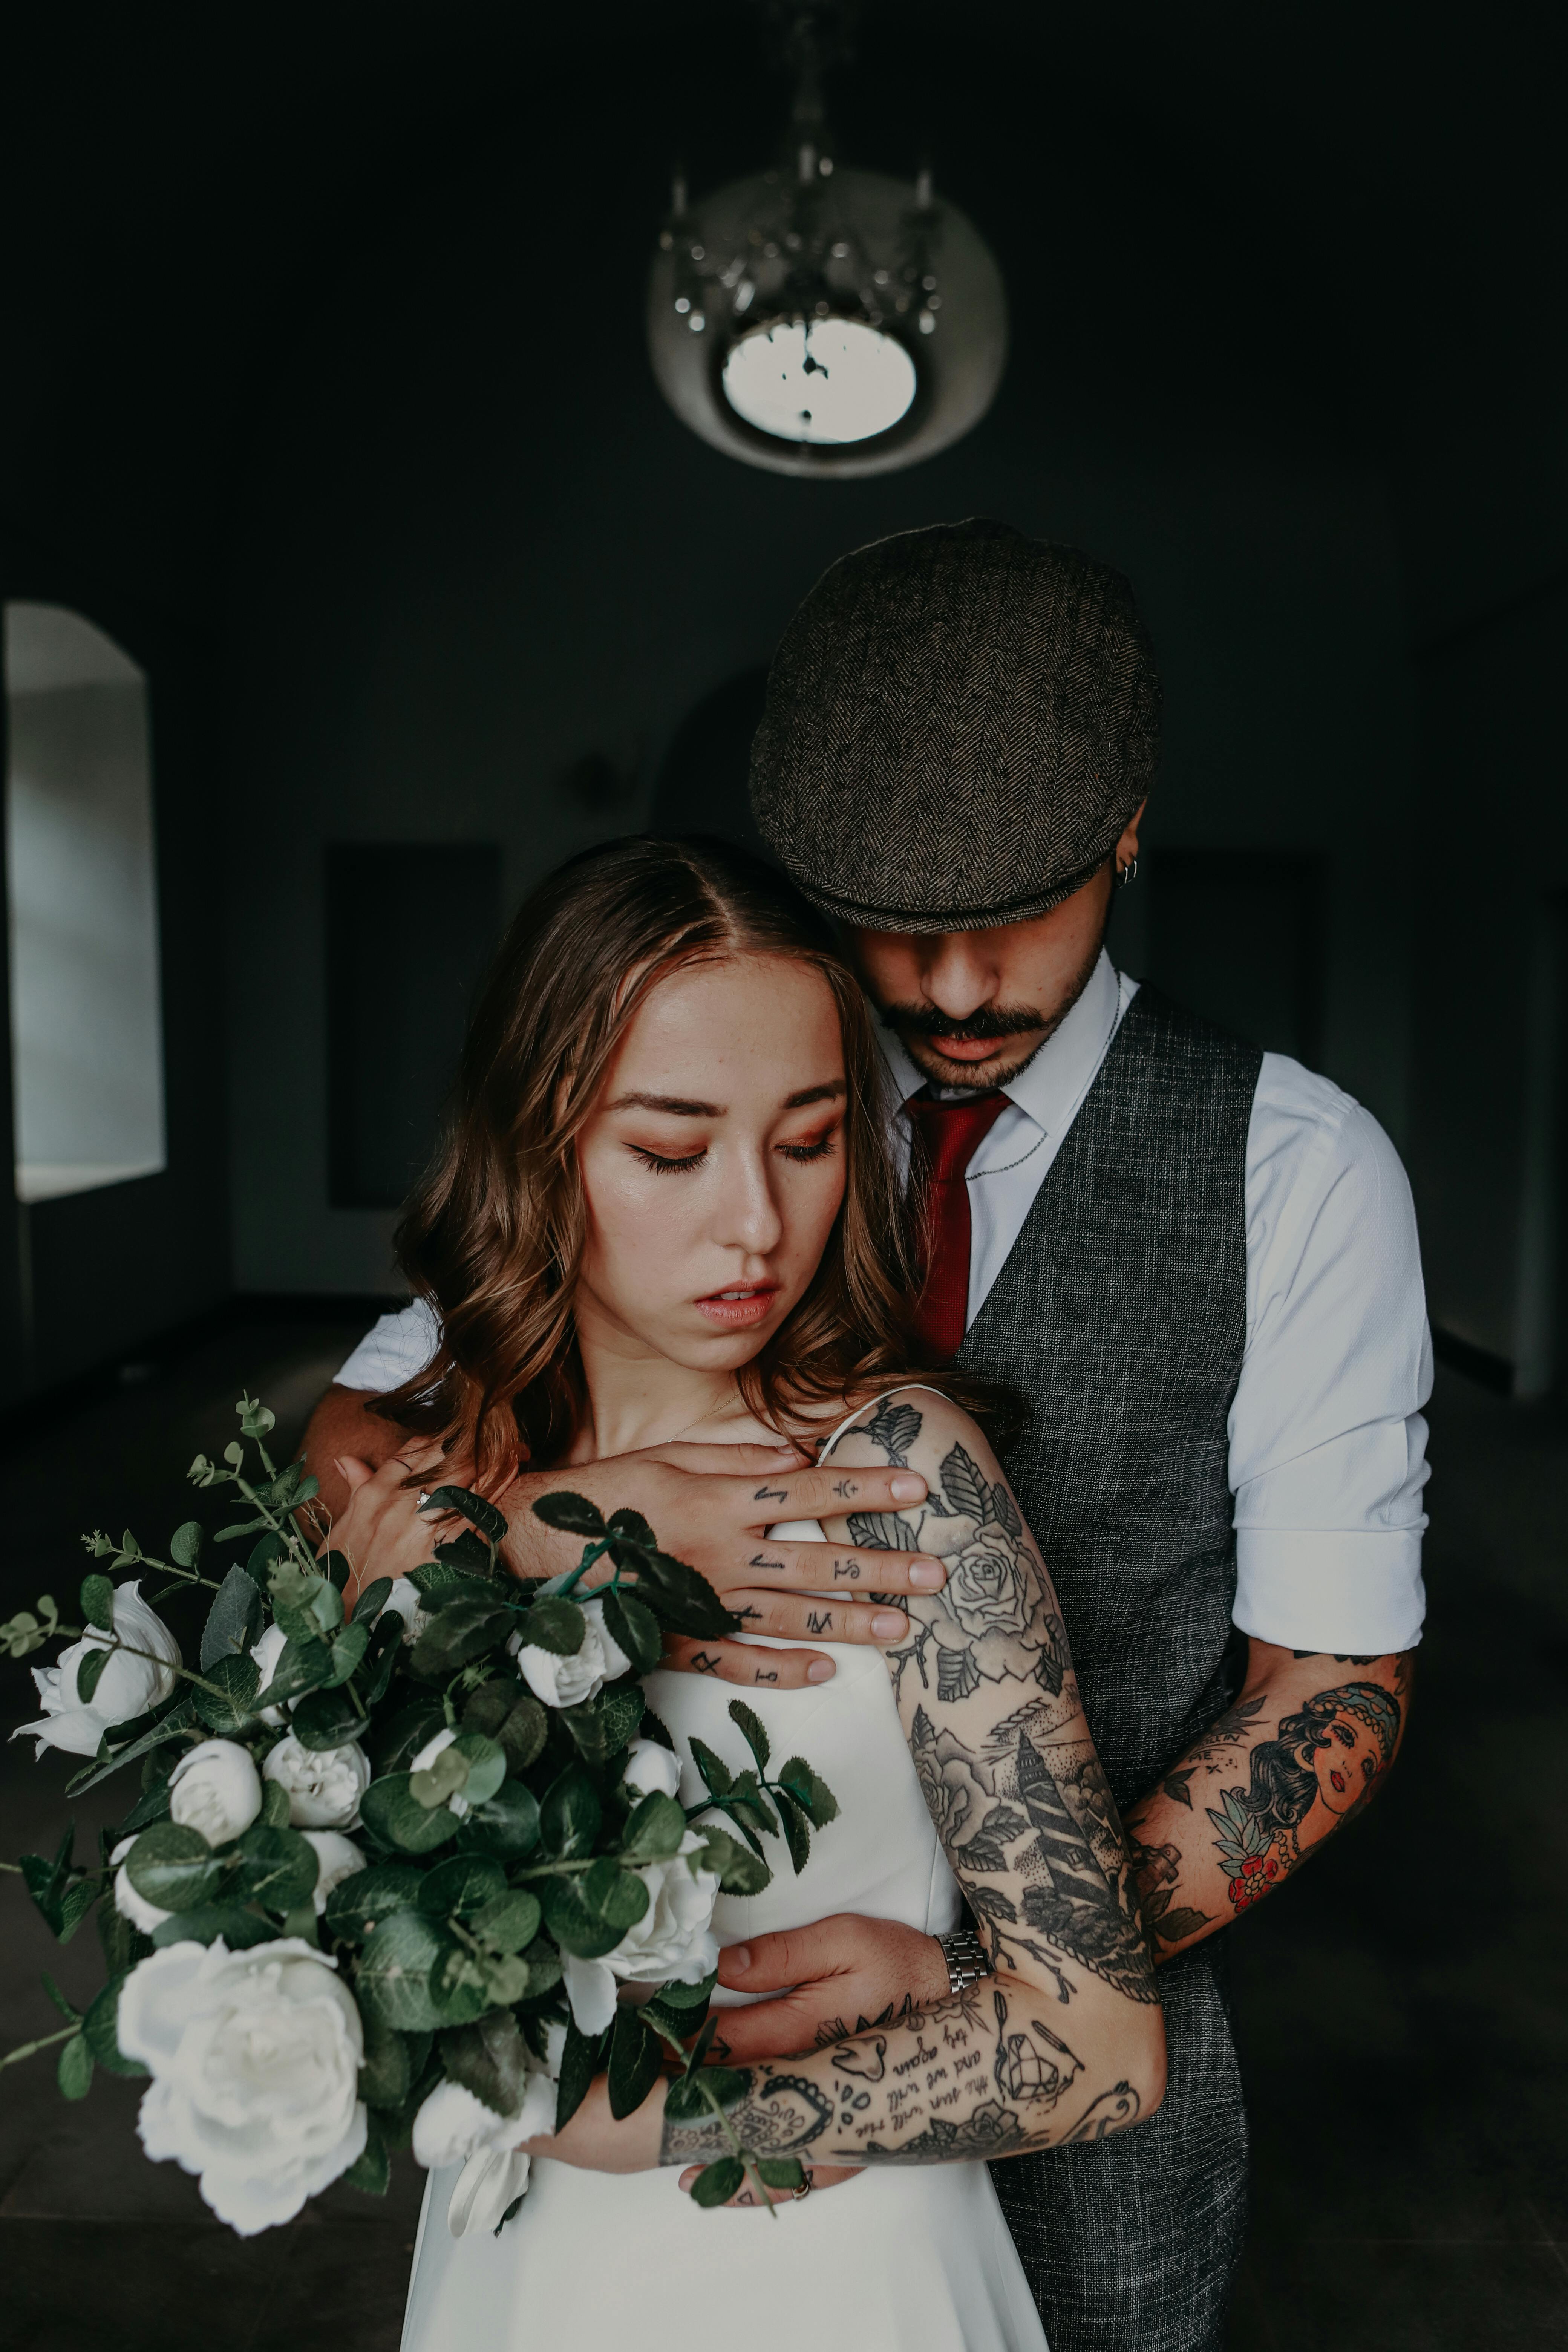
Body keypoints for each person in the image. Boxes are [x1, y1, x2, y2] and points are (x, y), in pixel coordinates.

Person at [311, 519, 1431, 2352]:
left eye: (1028, 906)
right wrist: (567, 1524)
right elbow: (363, 1450)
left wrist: (995, 1963)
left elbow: (1337, 1690)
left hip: (1041, 2144)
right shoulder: (700, 1065)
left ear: (1127, 828)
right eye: (896, 924)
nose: (961, 985)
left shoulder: (1290, 1169)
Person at [371, 833, 1163, 2352]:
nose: (755, 1222)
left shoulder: (895, 1471)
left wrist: (670, 2125)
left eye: (805, 1141)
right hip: (516, 2275)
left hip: (840, 2275)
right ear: (537, 1143)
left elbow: (1101, 2047)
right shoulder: (442, 1480)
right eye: (672, 1151)